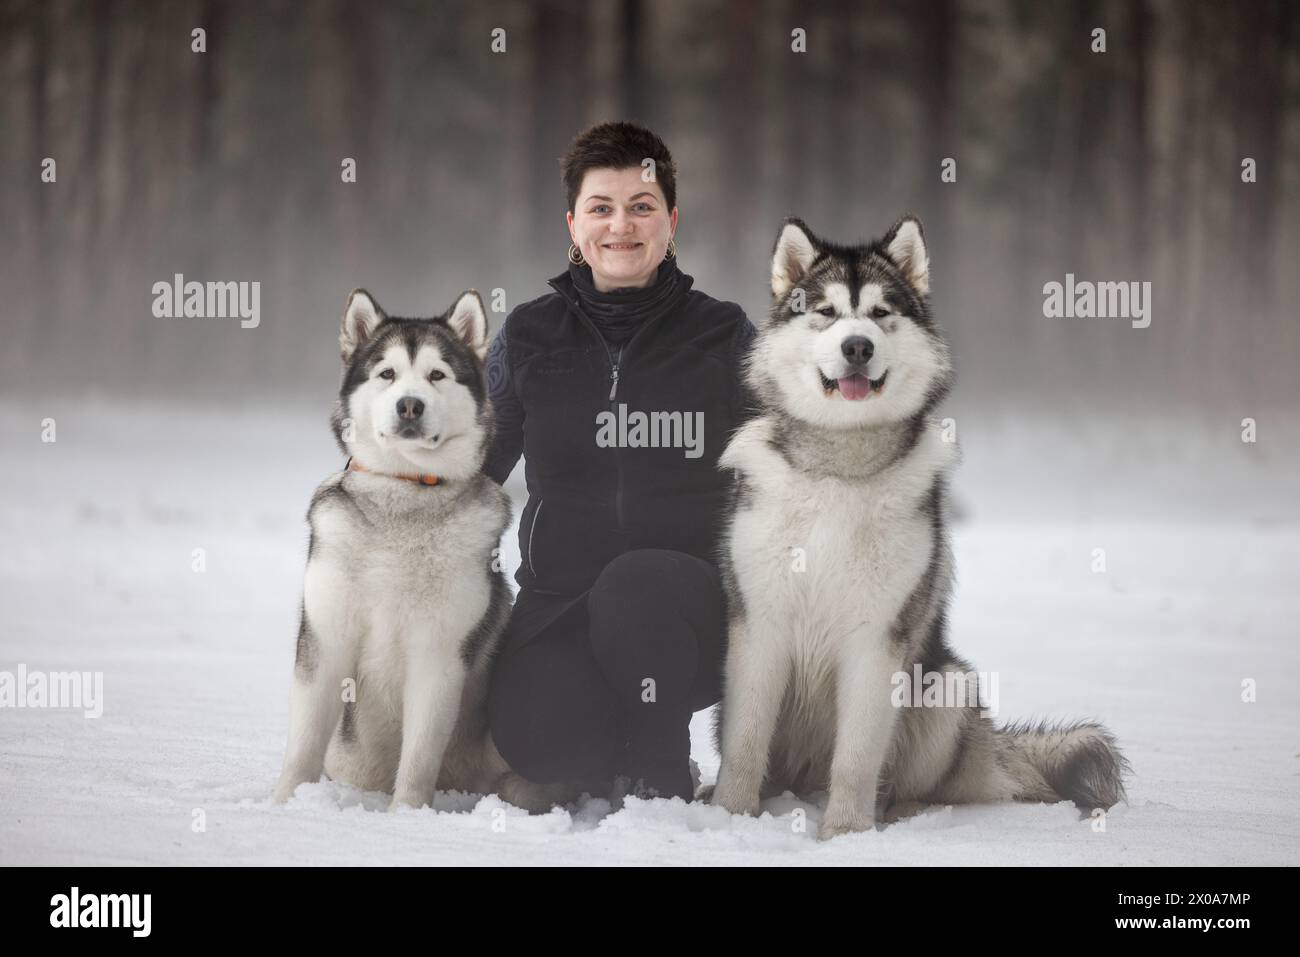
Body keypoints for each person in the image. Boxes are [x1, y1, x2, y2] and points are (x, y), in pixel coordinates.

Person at [484, 121, 756, 801]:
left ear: (671, 220)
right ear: (572, 223)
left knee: (635, 584)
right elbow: (475, 461)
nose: (621, 226)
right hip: (559, 606)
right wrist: (380, 476)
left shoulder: (724, 334)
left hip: (689, 614)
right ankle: (610, 741)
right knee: (539, 740)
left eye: (641, 206)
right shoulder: (526, 334)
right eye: (601, 208)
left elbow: (787, 465)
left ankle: (660, 769)